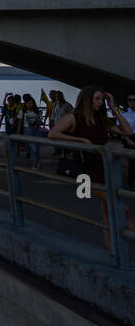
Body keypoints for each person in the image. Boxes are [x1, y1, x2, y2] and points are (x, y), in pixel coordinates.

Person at [48, 87, 135, 251]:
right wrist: (80, 140)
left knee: (107, 209)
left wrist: (113, 108)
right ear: (88, 100)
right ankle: (119, 242)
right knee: (121, 207)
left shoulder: (101, 119)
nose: (100, 102)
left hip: (102, 167)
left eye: (102, 99)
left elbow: (128, 132)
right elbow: (52, 133)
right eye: (97, 99)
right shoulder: (73, 117)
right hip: (84, 170)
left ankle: (110, 246)